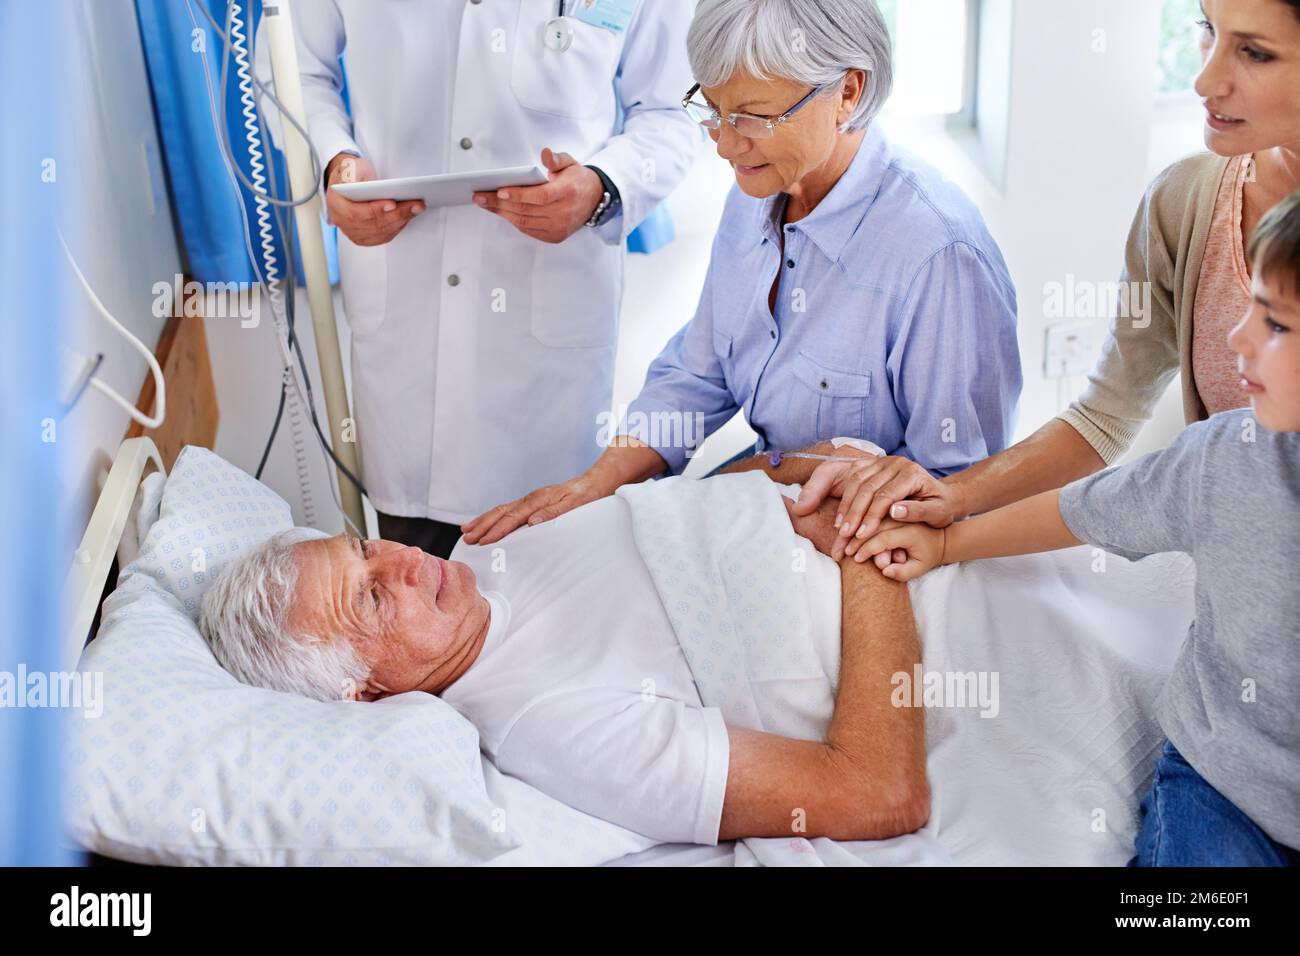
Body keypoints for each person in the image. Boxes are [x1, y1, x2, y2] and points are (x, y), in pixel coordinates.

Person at [462, 0, 1021, 549]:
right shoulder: (760, 192)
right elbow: (700, 373)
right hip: (778, 508)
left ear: (848, 92)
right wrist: (599, 481)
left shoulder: (938, 255)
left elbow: (960, 489)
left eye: (753, 117)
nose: (726, 145)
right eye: (713, 111)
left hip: (868, 549)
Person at [850, 192, 1300, 866]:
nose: (1237, 336)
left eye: (1277, 324)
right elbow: (1085, 507)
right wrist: (949, 539)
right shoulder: (1223, 460)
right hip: (1223, 788)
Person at [795, 0, 1300, 562]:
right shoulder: (1185, 202)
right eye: (1208, 29)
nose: (1204, 77)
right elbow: (1104, 418)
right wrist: (948, 500)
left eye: (1254, 52)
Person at [198, 483, 930, 846]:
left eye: (362, 548)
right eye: (373, 599)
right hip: (931, 607)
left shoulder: (488, 545)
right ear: (365, 692)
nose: (402, 559)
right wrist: (872, 553)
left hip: (919, 520)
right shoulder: (549, 726)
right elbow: (876, 794)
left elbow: (715, 492)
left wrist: (839, 474)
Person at [265, 0, 700, 558]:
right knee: (411, 590)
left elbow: (674, 108)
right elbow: (286, 70)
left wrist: (601, 185)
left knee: (553, 585)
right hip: (406, 327)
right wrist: (333, 160)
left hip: (545, 344)